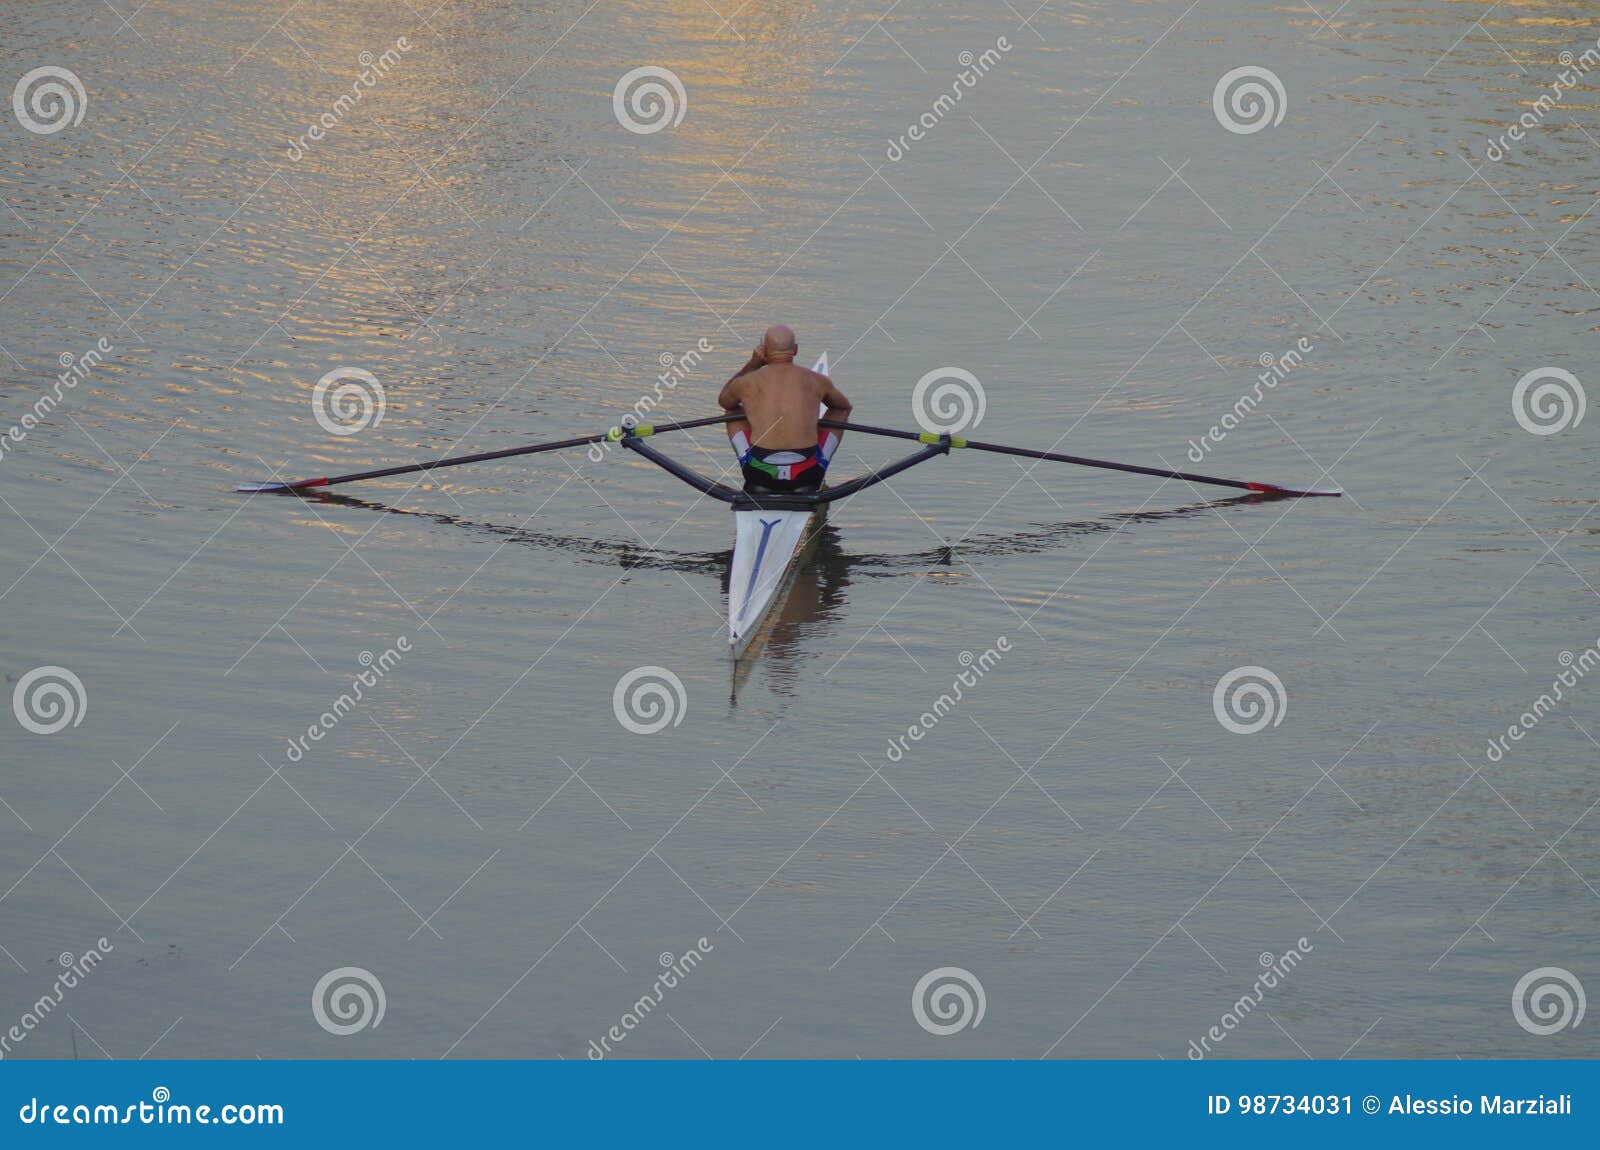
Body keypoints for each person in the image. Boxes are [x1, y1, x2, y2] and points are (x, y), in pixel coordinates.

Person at [717, 325, 852, 494]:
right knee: (840, 411)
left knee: (732, 411)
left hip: (759, 475)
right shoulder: (817, 380)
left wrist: (753, 364)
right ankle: (821, 460)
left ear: (764, 351)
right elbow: (844, 407)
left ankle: (751, 462)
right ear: (795, 350)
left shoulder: (746, 382)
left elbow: (724, 401)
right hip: (806, 474)